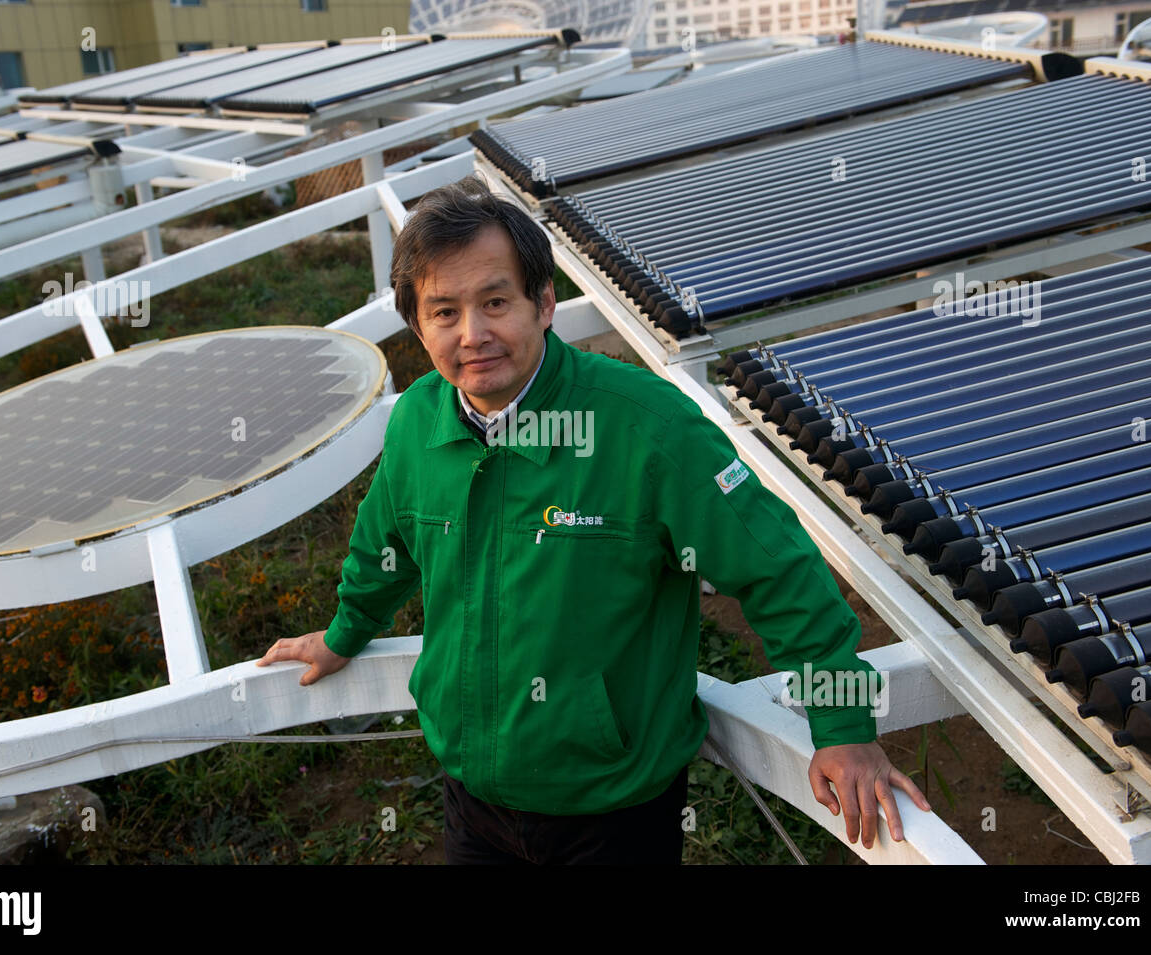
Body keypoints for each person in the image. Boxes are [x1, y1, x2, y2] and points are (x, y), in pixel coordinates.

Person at [258, 173, 931, 864]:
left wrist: (844, 726)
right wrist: (343, 634)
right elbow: (382, 549)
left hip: (614, 812)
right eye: (444, 312)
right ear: (416, 324)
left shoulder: (648, 428)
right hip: (471, 795)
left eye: (496, 301)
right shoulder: (416, 425)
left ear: (544, 302)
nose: (474, 334)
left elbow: (780, 570)